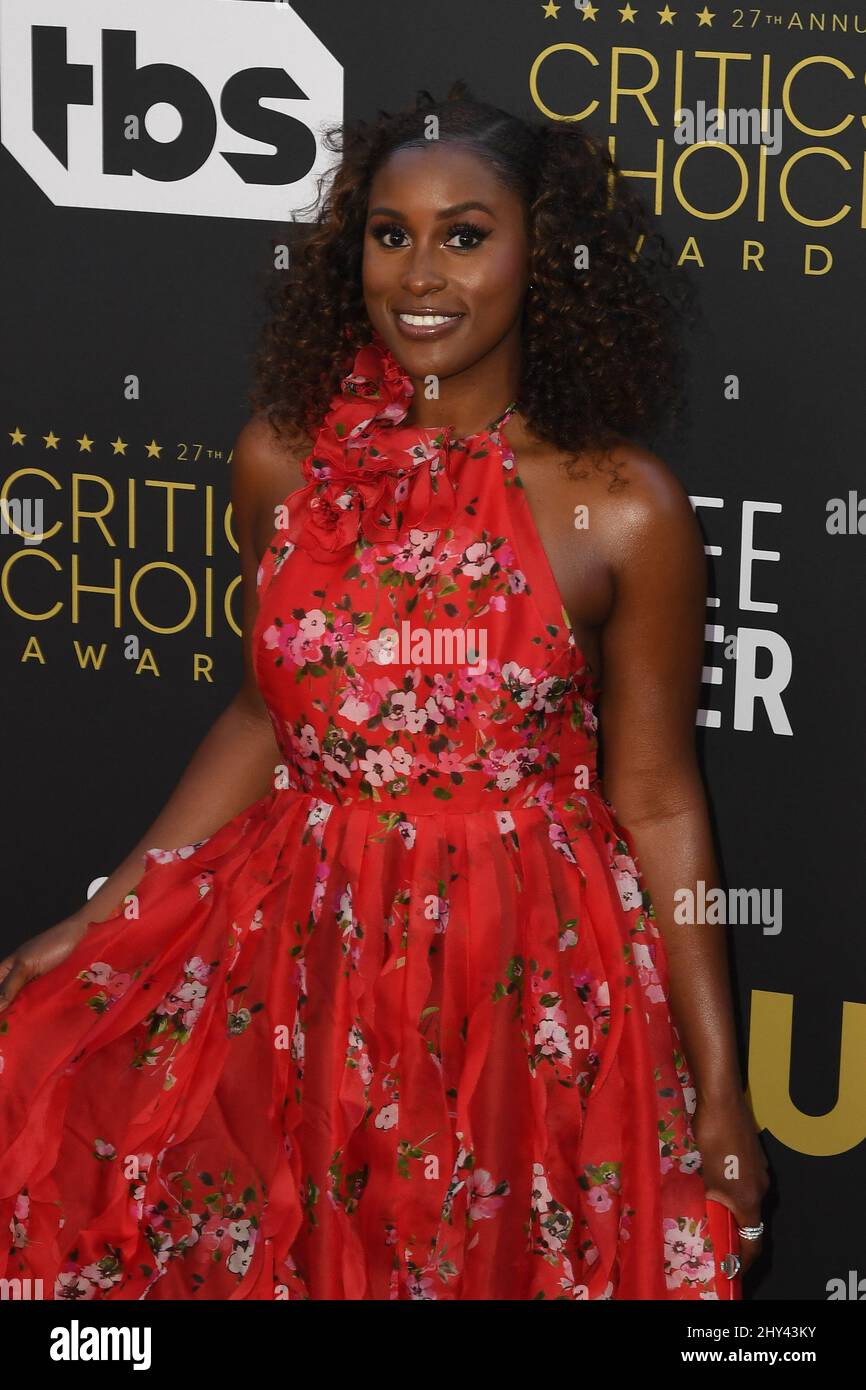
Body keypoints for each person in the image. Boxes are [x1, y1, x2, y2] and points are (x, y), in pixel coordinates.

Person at [0, 84, 768, 1301]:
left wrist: (722, 1092)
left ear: (541, 259)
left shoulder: (621, 507)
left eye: (466, 235)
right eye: (389, 232)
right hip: (307, 958)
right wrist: (102, 919)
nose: (421, 273)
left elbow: (661, 800)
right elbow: (264, 716)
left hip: (522, 979)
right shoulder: (279, 459)